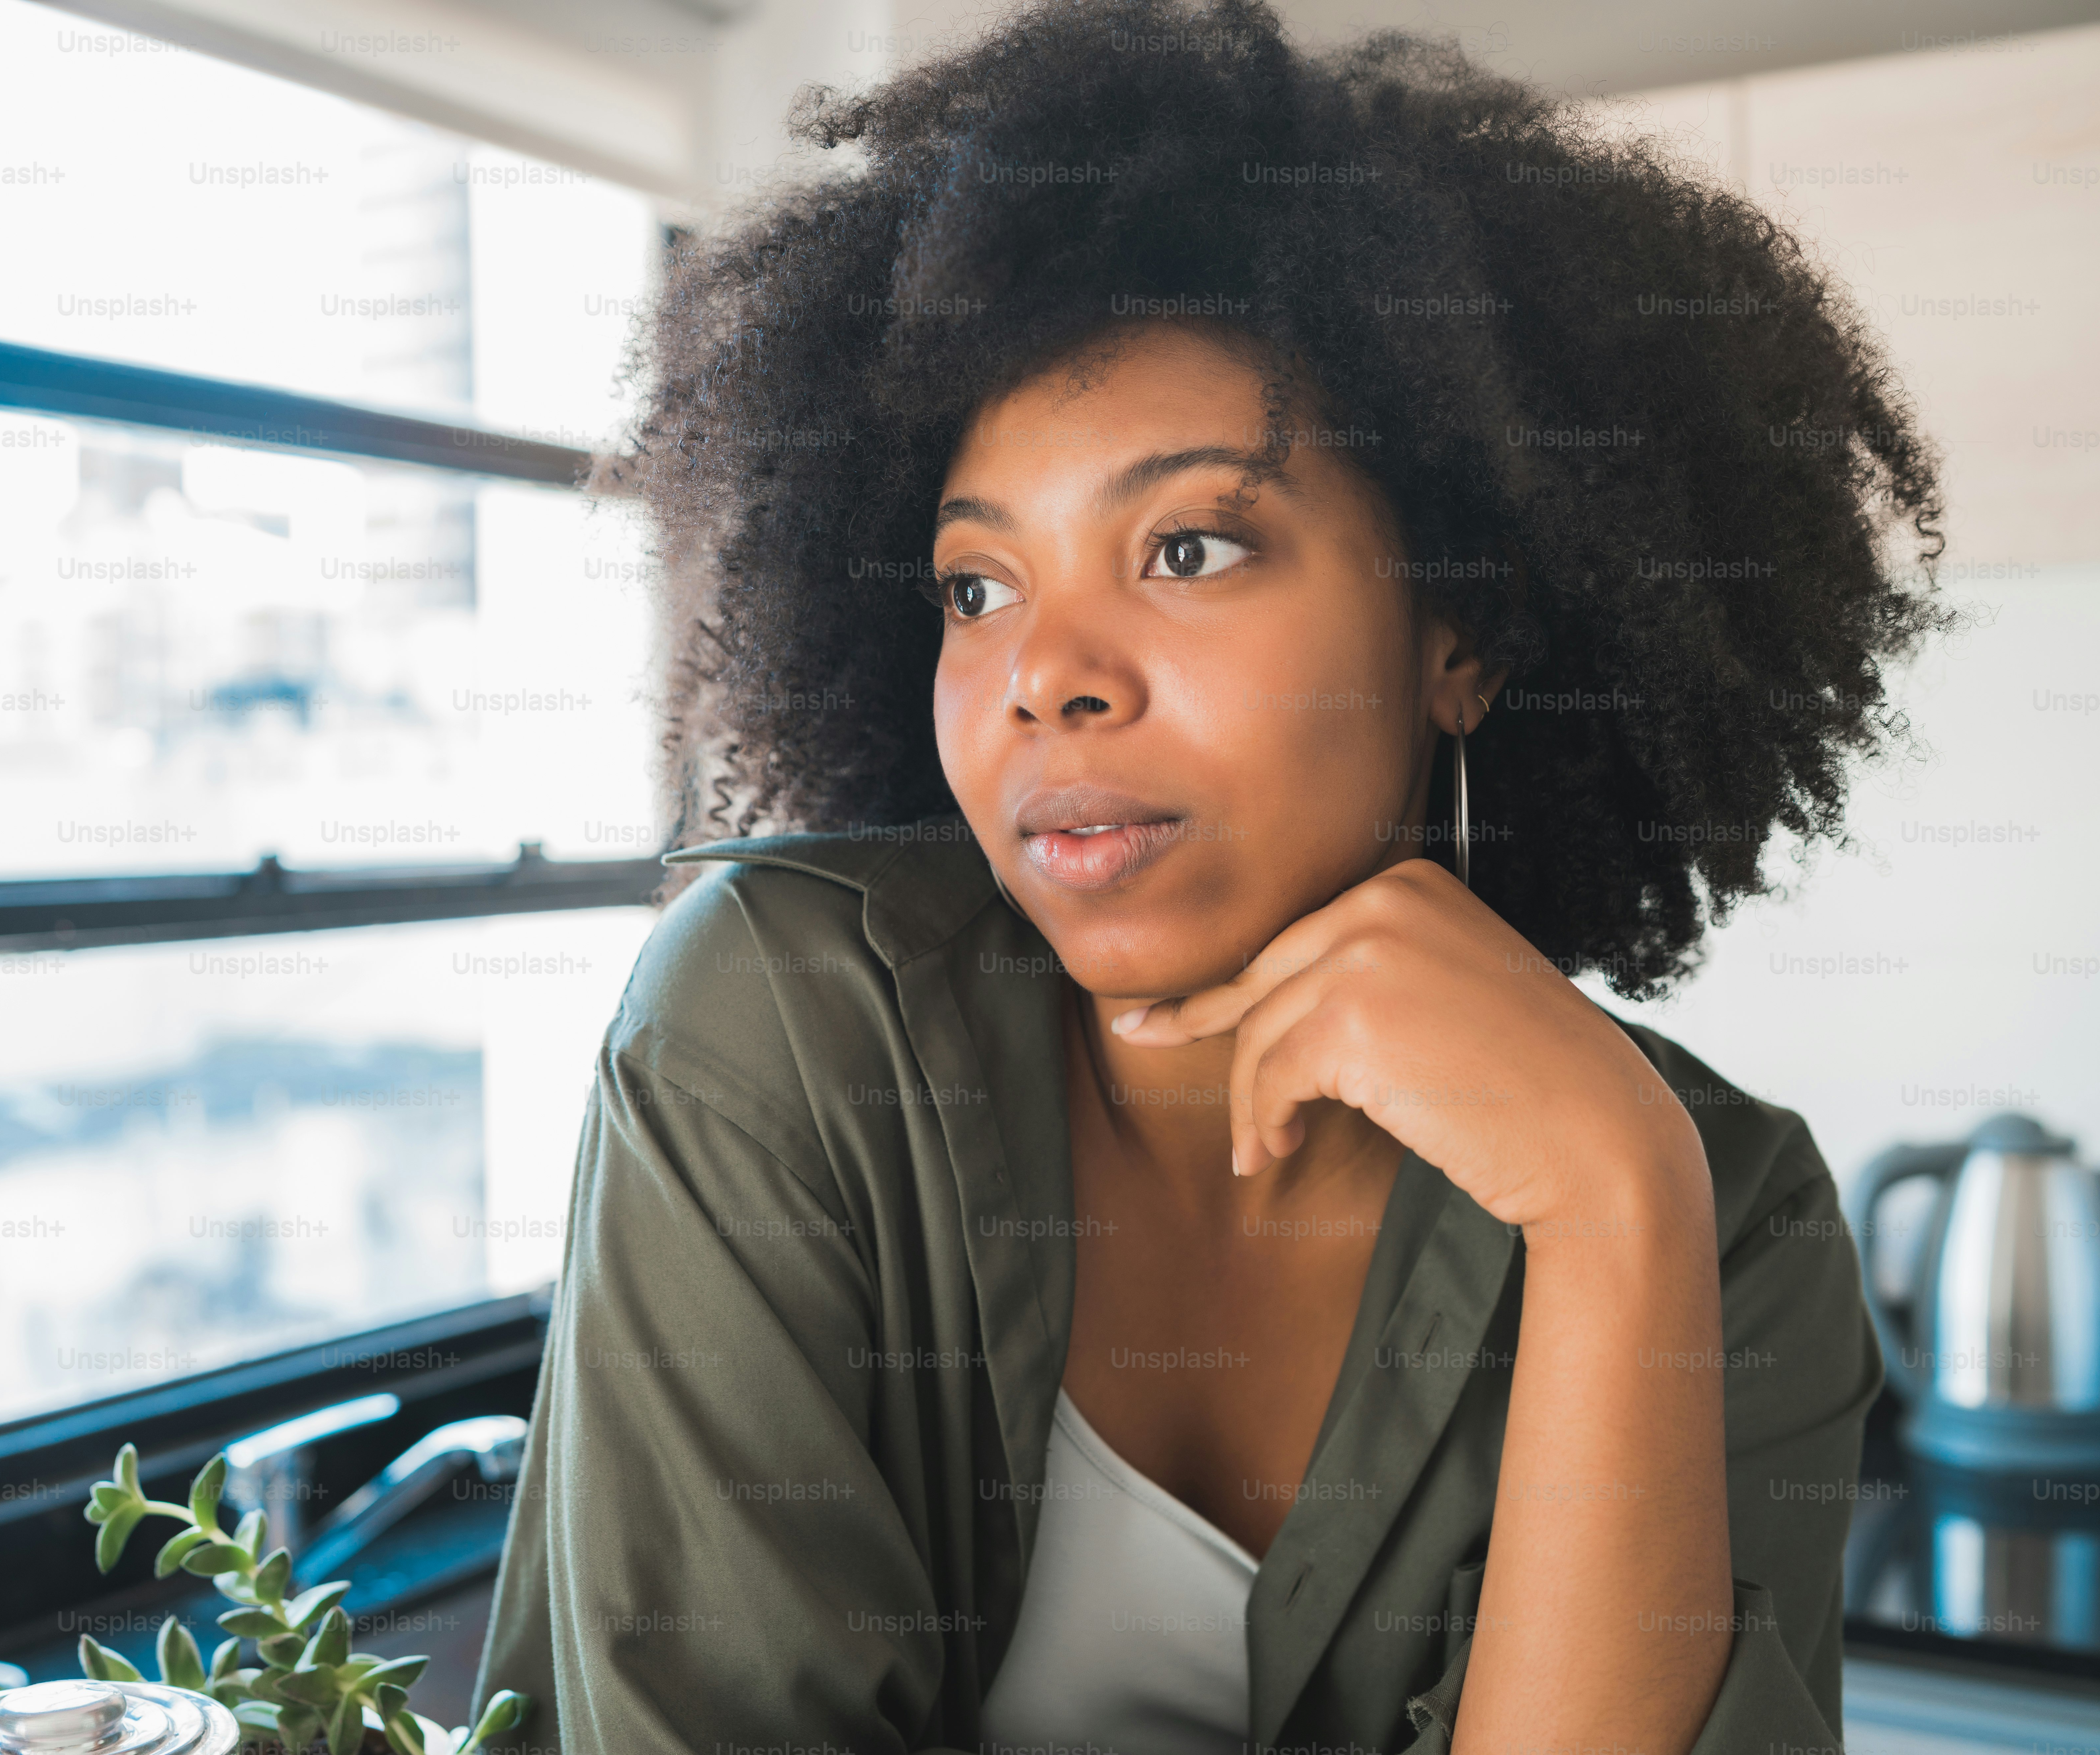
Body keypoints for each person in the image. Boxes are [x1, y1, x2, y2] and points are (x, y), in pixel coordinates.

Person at [474, 1, 1940, 1749]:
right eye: (974, 586)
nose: (1047, 672)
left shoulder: (1726, 1213)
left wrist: (1614, 1204)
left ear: (1459, 633)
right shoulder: (777, 1029)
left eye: (1188, 544)